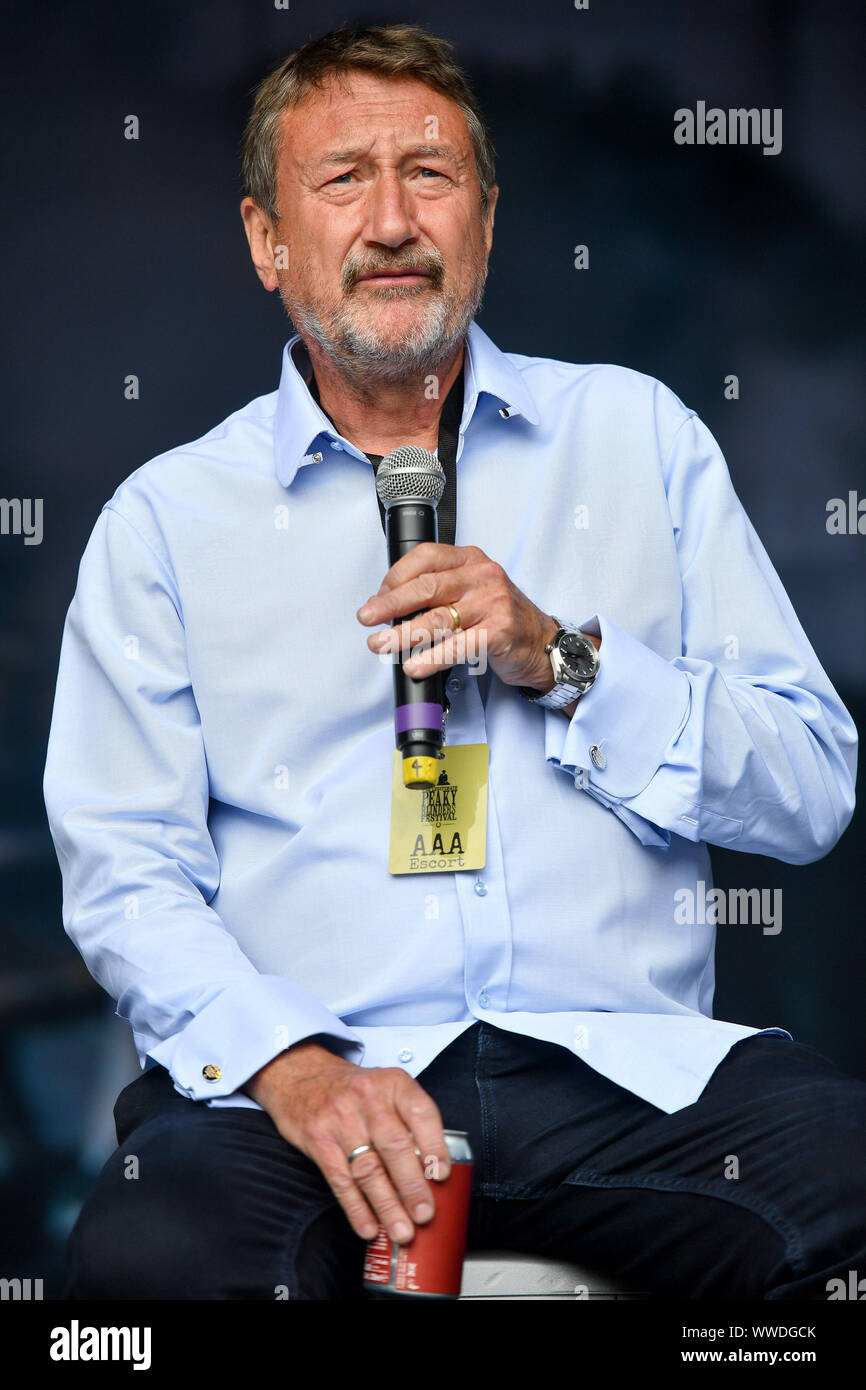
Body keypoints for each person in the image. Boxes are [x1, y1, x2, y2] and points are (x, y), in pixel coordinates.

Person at [43, 23, 863, 1300]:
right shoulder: (167, 520)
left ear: (484, 219)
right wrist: (295, 1068)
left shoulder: (635, 436)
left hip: (622, 1076)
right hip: (312, 1081)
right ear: (266, 240)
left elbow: (809, 787)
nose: (388, 220)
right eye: (341, 180)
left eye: (427, 176)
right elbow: (126, 874)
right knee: (154, 1255)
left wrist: (568, 658)